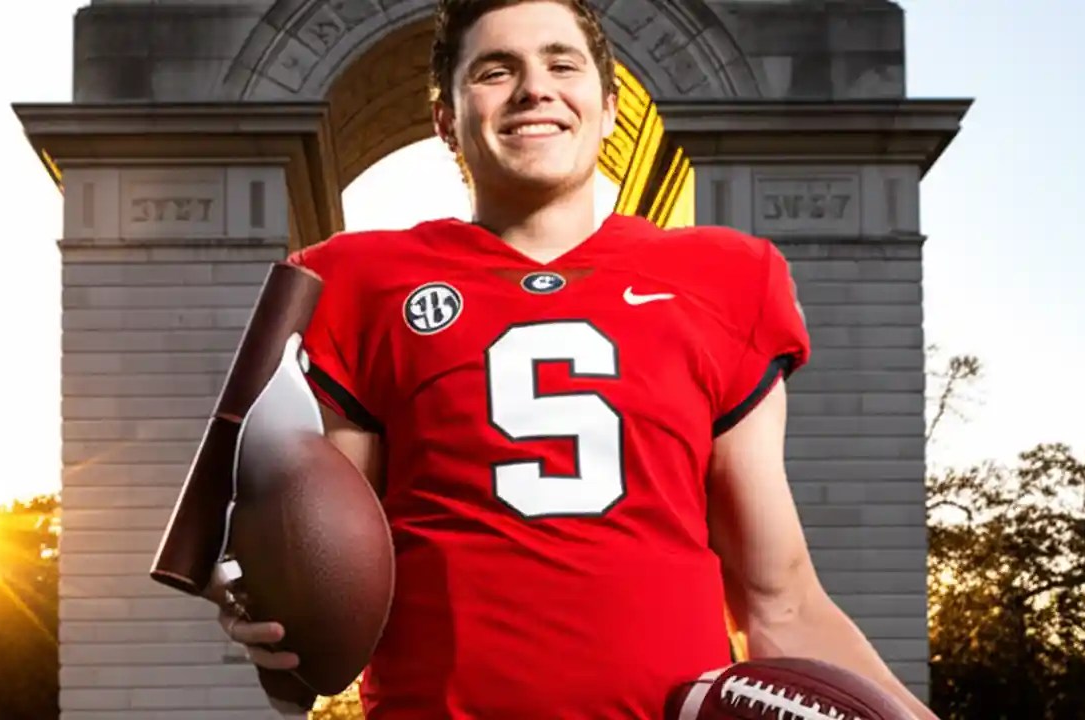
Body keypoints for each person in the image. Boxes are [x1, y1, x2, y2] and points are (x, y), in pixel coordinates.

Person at [213, 0, 937, 718]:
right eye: (496, 71)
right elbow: (326, 552)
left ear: (610, 105)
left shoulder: (724, 281)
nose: (535, 88)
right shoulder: (363, 283)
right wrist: (272, 595)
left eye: (562, 63)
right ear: (446, 119)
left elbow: (780, 599)